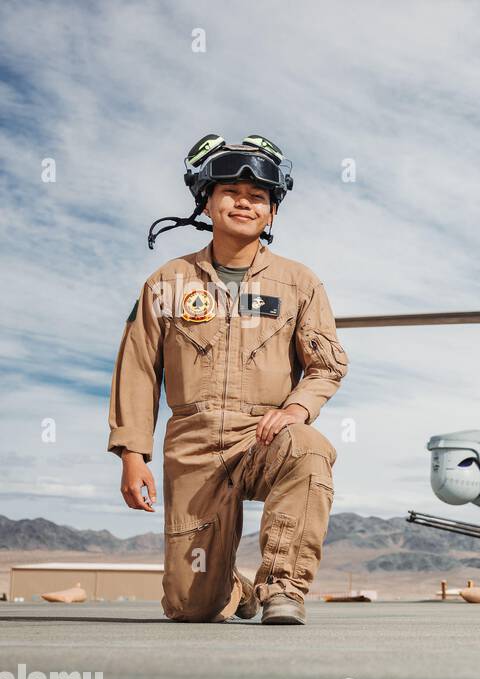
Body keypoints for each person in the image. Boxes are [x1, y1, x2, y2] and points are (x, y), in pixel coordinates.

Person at [110, 133, 347, 625]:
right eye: (231, 193)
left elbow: (327, 364)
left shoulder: (300, 283)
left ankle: (283, 587)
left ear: (272, 214)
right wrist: (133, 456)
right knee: (190, 607)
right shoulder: (167, 282)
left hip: (265, 434)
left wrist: (296, 410)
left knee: (310, 446)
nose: (244, 202)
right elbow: (137, 369)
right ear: (206, 202)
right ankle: (233, 587)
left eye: (258, 197)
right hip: (192, 444)